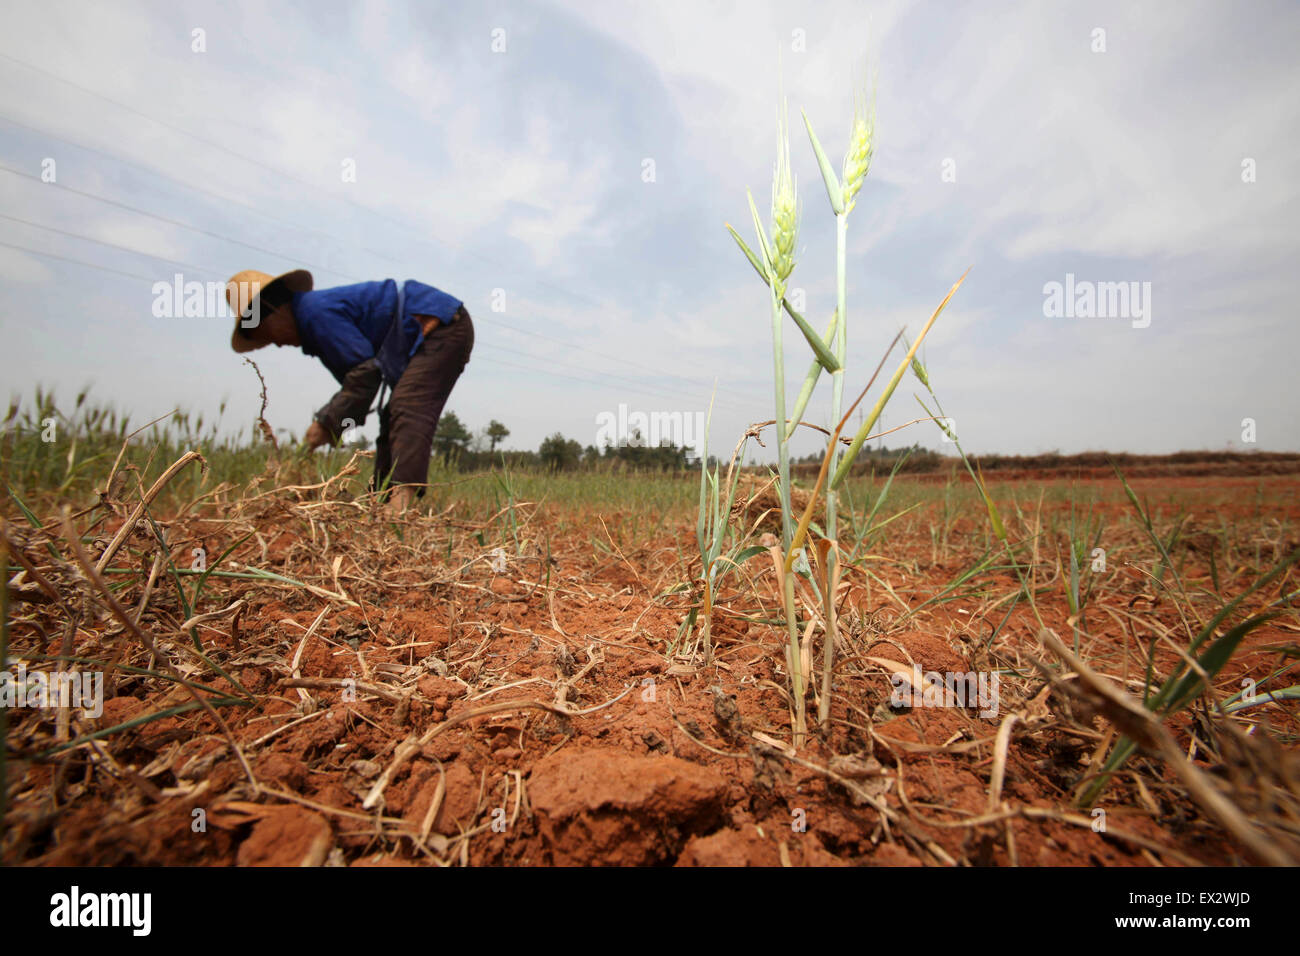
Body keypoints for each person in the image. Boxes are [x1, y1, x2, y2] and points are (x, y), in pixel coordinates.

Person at [225, 269, 474, 511]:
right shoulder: (315, 320)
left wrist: (325, 424)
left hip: (440, 325)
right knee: (393, 415)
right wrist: (334, 423)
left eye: (267, 333)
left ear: (272, 311)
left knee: (408, 407)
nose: (276, 343)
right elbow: (360, 382)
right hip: (427, 335)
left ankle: (399, 506)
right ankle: (379, 502)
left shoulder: (315, 314)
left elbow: (365, 375)